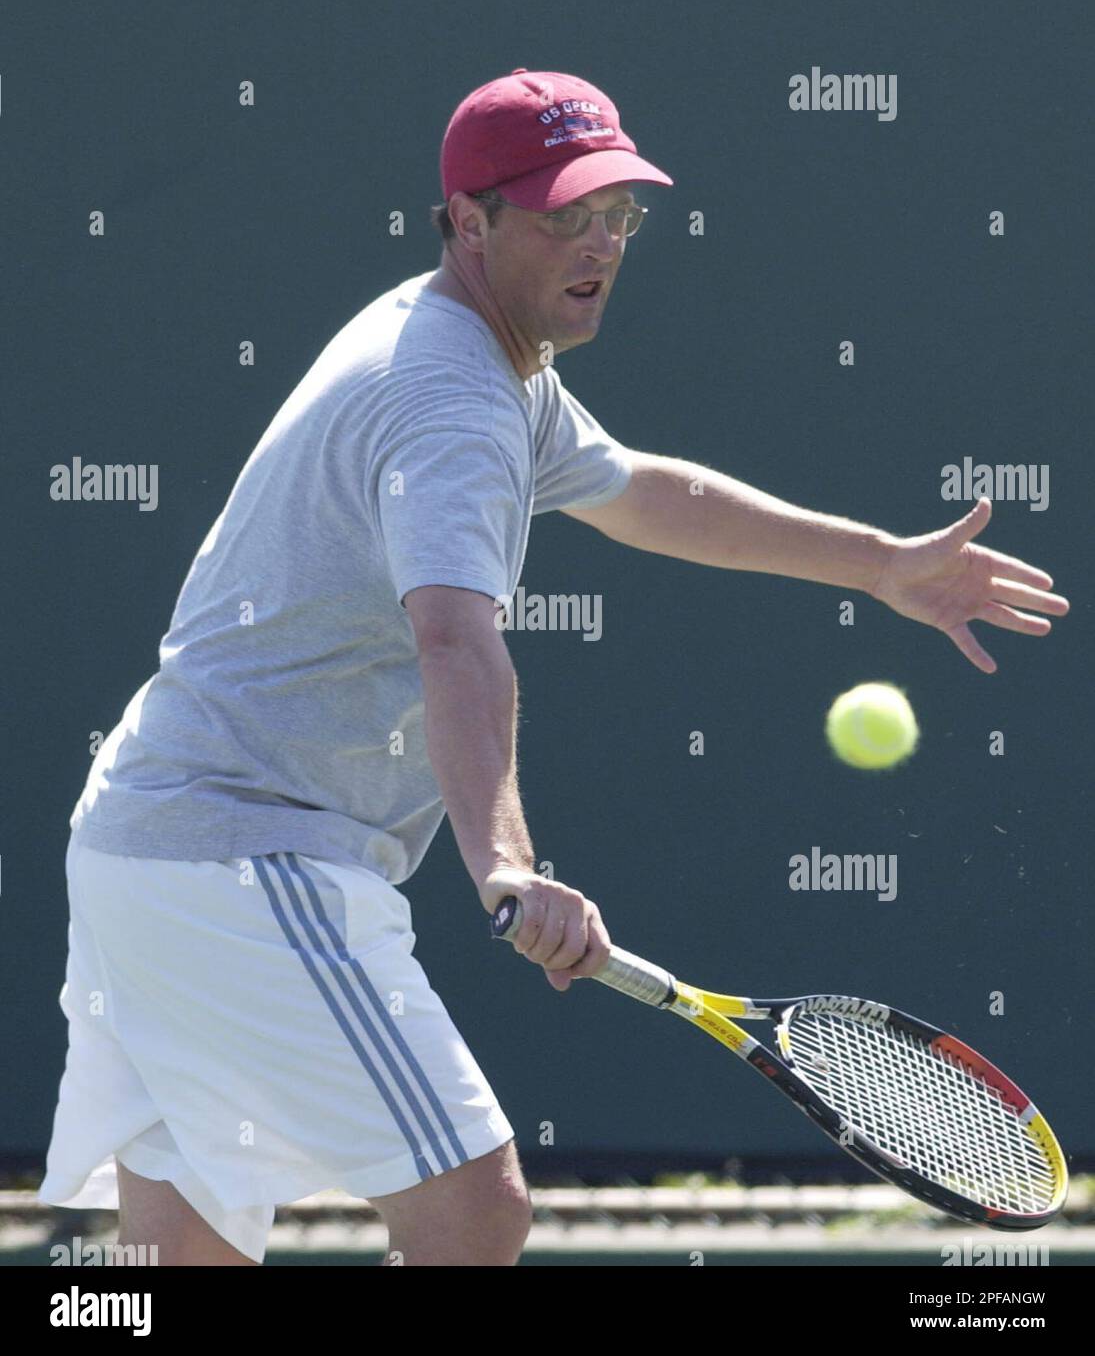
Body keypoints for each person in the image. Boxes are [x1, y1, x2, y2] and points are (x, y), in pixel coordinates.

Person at [37, 68, 1069, 1268]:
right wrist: (509, 866)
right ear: (467, 223)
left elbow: (636, 491)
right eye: (562, 216)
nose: (600, 244)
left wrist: (878, 564)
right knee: (476, 1212)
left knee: (178, 1261)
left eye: (617, 213)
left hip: (141, 847)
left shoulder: (476, 350)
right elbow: (455, 638)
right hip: (241, 855)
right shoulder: (452, 398)